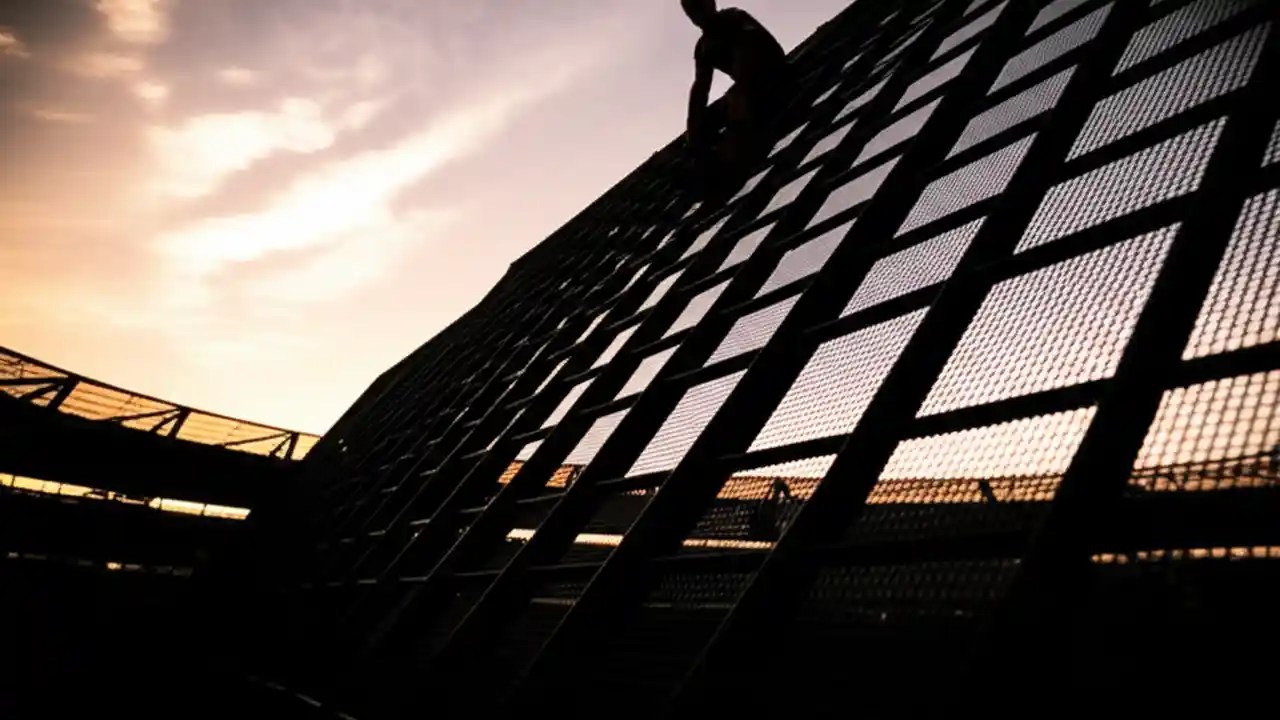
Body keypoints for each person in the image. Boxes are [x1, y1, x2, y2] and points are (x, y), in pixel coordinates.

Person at [682, 0, 795, 201]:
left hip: (772, 74)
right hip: (748, 88)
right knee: (708, 119)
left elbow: (752, 47)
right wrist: (693, 130)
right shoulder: (703, 47)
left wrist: (742, 87)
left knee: (736, 102)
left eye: (698, 7)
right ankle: (709, 163)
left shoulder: (733, 18)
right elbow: (700, 88)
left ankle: (735, 156)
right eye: (691, 11)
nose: (696, 15)